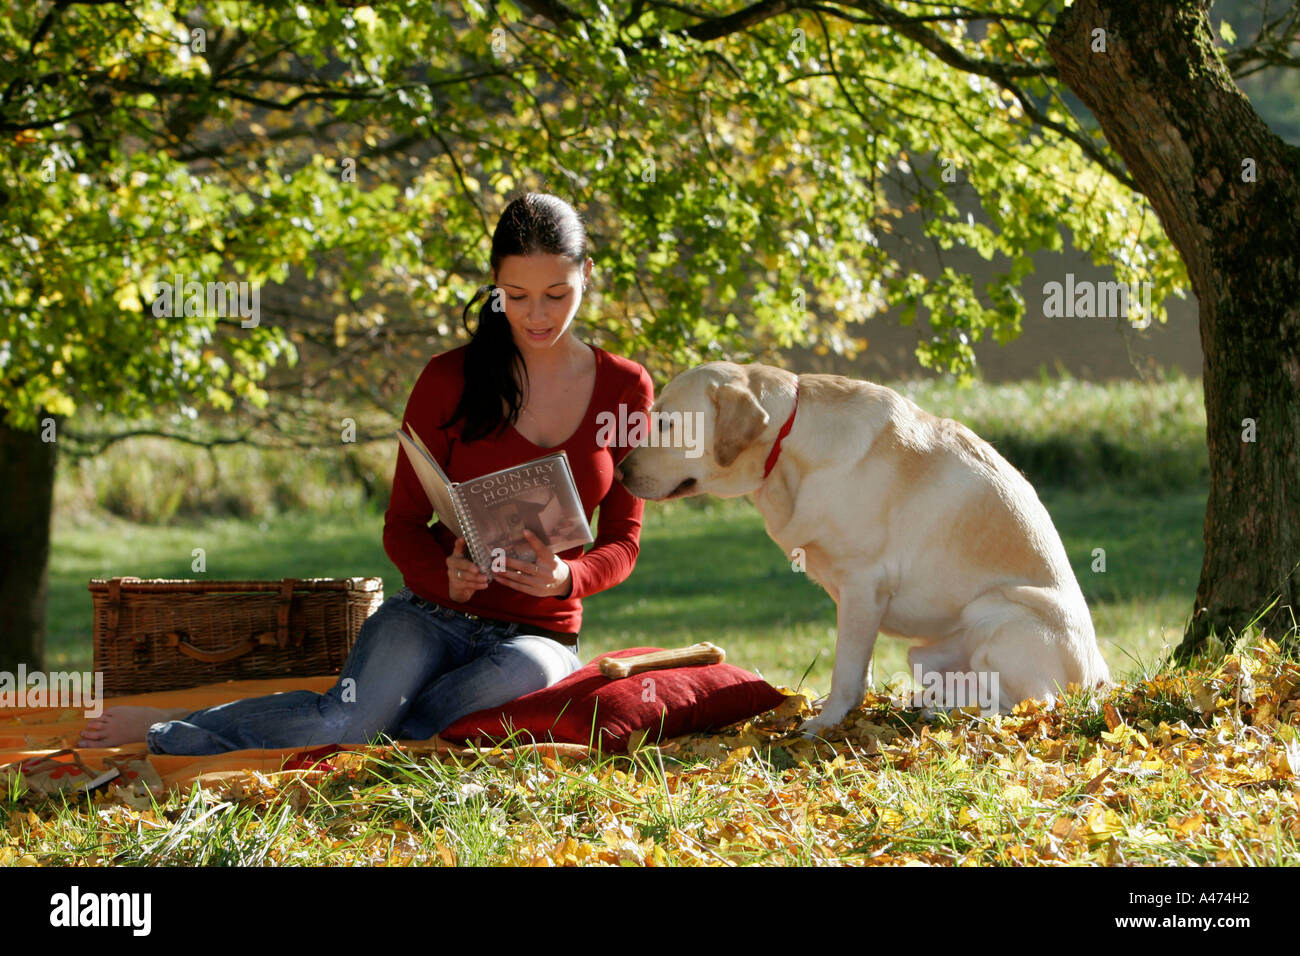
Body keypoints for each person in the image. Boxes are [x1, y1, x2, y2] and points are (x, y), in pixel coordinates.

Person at [78, 193, 655, 754]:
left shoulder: (626, 388)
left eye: (556, 293)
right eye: (516, 295)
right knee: (351, 720)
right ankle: (181, 724)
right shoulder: (447, 378)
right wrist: (443, 573)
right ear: (495, 287)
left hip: (539, 635)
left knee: (436, 702)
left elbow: (623, 542)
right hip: (433, 613)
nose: (536, 315)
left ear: (586, 275)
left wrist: (566, 580)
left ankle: (382, 716)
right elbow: (402, 524)